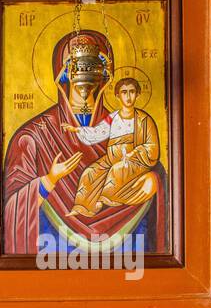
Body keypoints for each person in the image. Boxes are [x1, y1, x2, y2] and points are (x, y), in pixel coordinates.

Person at [1, 30, 166, 255]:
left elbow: (150, 157)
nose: (84, 78)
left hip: (126, 249)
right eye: (75, 66)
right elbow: (11, 208)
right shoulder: (32, 137)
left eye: (93, 66)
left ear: (105, 76)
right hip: (53, 249)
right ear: (62, 74)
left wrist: (154, 181)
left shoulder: (126, 123)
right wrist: (49, 180)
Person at [67, 77, 161, 217]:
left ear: (138, 94)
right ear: (118, 96)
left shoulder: (143, 120)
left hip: (135, 162)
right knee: (90, 172)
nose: (128, 97)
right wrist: (76, 130)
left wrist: (134, 153)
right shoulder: (113, 117)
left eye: (132, 92)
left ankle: (103, 200)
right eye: (124, 92)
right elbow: (98, 133)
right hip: (111, 159)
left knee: (116, 171)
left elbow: (152, 147)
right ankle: (81, 207)